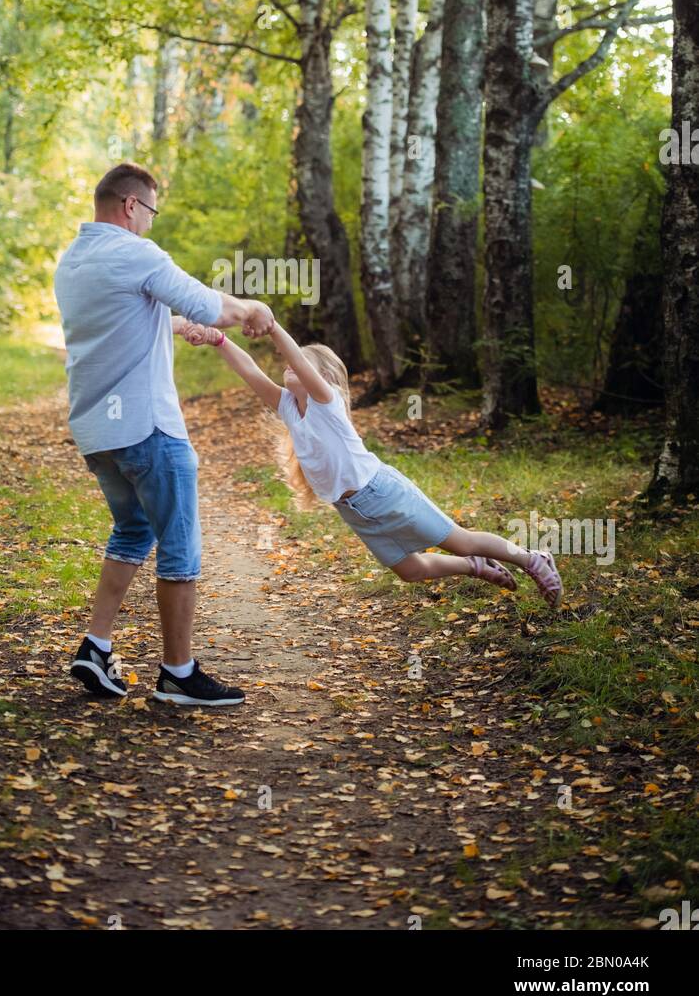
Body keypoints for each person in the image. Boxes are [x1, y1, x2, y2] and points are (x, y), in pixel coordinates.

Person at [53, 162, 274, 705]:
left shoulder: (74, 261)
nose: (151, 222)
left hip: (97, 432)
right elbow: (210, 304)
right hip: (147, 428)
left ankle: (95, 646)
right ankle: (179, 671)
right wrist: (251, 308)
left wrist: (174, 326)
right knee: (180, 546)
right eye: (150, 210)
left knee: (132, 531)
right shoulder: (137, 253)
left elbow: (124, 318)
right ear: (131, 205)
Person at [180, 317, 563, 607]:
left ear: (323, 376)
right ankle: (475, 567)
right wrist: (218, 338)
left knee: (461, 540)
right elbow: (249, 370)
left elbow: (296, 358)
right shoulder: (287, 407)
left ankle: (533, 557)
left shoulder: (326, 403)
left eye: (303, 364)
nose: (291, 366)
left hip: (382, 491)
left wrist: (273, 328)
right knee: (411, 571)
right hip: (353, 509)